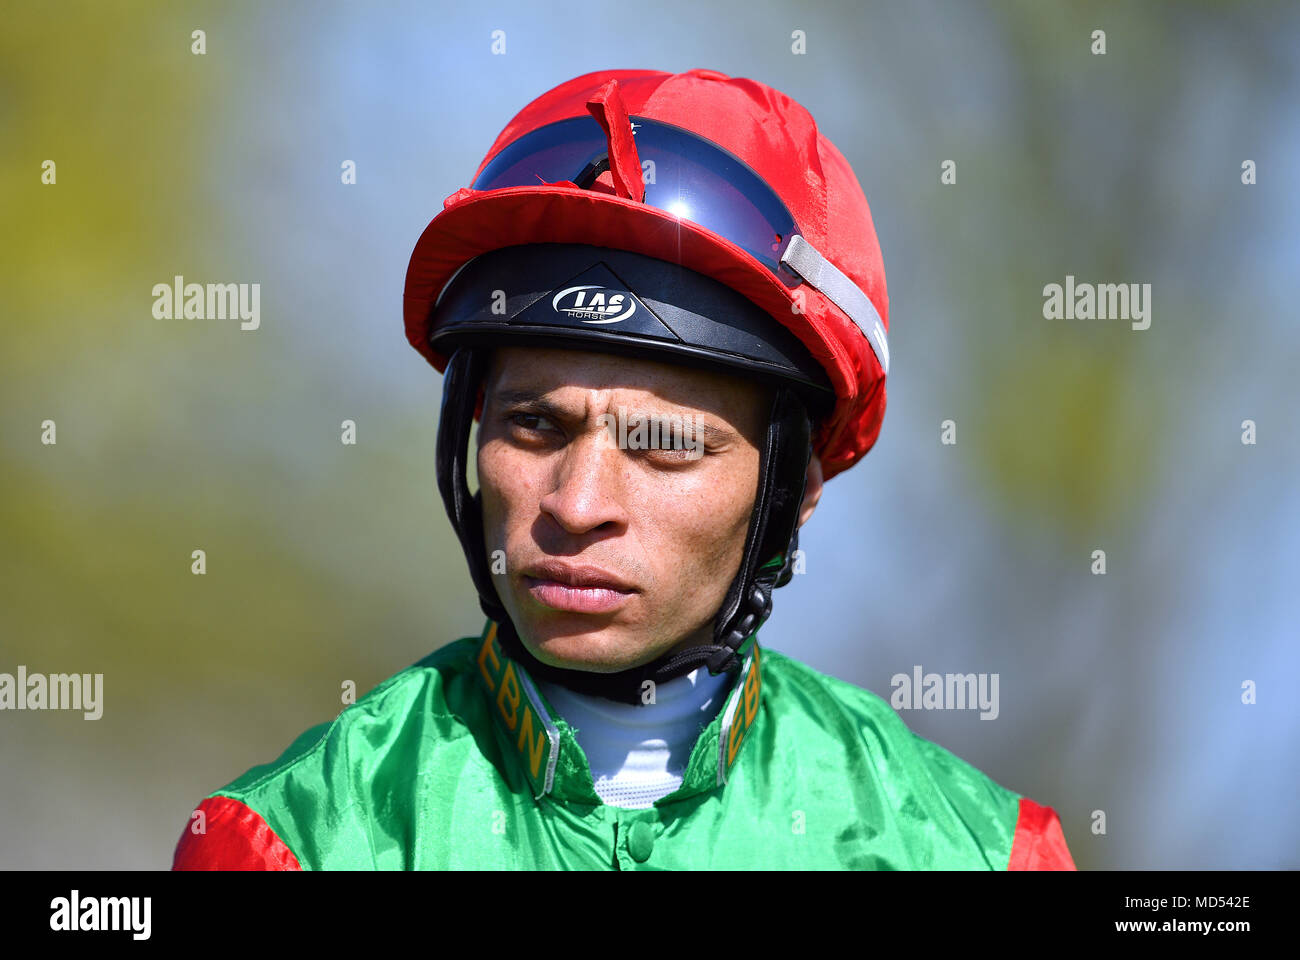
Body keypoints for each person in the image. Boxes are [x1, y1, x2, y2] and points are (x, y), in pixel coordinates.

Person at [172, 67, 1075, 870]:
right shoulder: (293, 841)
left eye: (666, 445)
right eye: (532, 424)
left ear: (793, 493)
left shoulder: (979, 851)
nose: (577, 503)